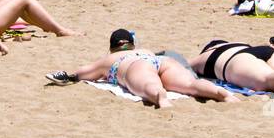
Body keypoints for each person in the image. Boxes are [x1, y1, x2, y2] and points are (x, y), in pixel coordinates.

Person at [46, 29, 232, 108]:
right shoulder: (144, 50)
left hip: (134, 66)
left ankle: (161, 98)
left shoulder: (109, 59)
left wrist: (69, 76)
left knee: (150, 84)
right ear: (132, 44)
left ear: (112, 47)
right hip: (160, 60)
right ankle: (221, 93)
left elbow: (79, 74)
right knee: (191, 84)